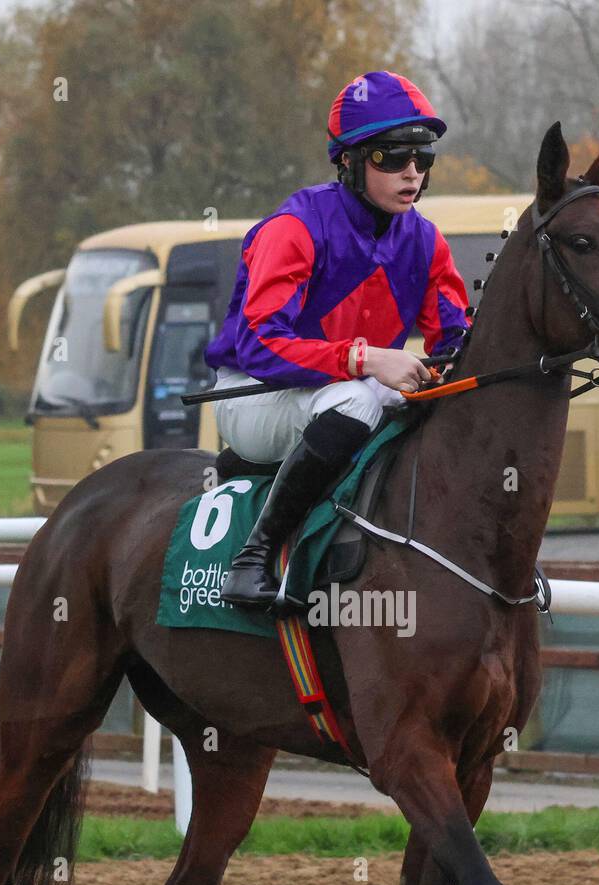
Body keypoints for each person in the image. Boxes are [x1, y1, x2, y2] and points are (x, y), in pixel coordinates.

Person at [204, 70, 470, 610]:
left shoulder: (426, 241)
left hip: (341, 393)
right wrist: (366, 359)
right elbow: (259, 346)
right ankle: (253, 559)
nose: (411, 173)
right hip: (254, 392)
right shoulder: (295, 227)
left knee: (419, 401)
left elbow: (454, 344)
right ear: (348, 160)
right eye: (392, 158)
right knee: (359, 397)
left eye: (423, 158)